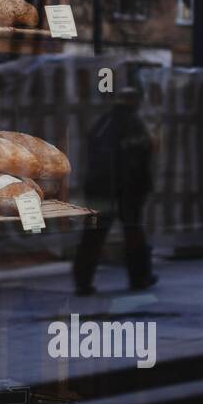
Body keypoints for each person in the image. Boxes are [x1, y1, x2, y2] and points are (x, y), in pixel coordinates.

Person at [73, 87, 158, 295]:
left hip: (98, 188)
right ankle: (140, 277)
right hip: (125, 189)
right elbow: (140, 156)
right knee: (133, 231)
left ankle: (83, 281)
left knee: (93, 235)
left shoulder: (102, 123)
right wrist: (142, 186)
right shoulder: (134, 124)